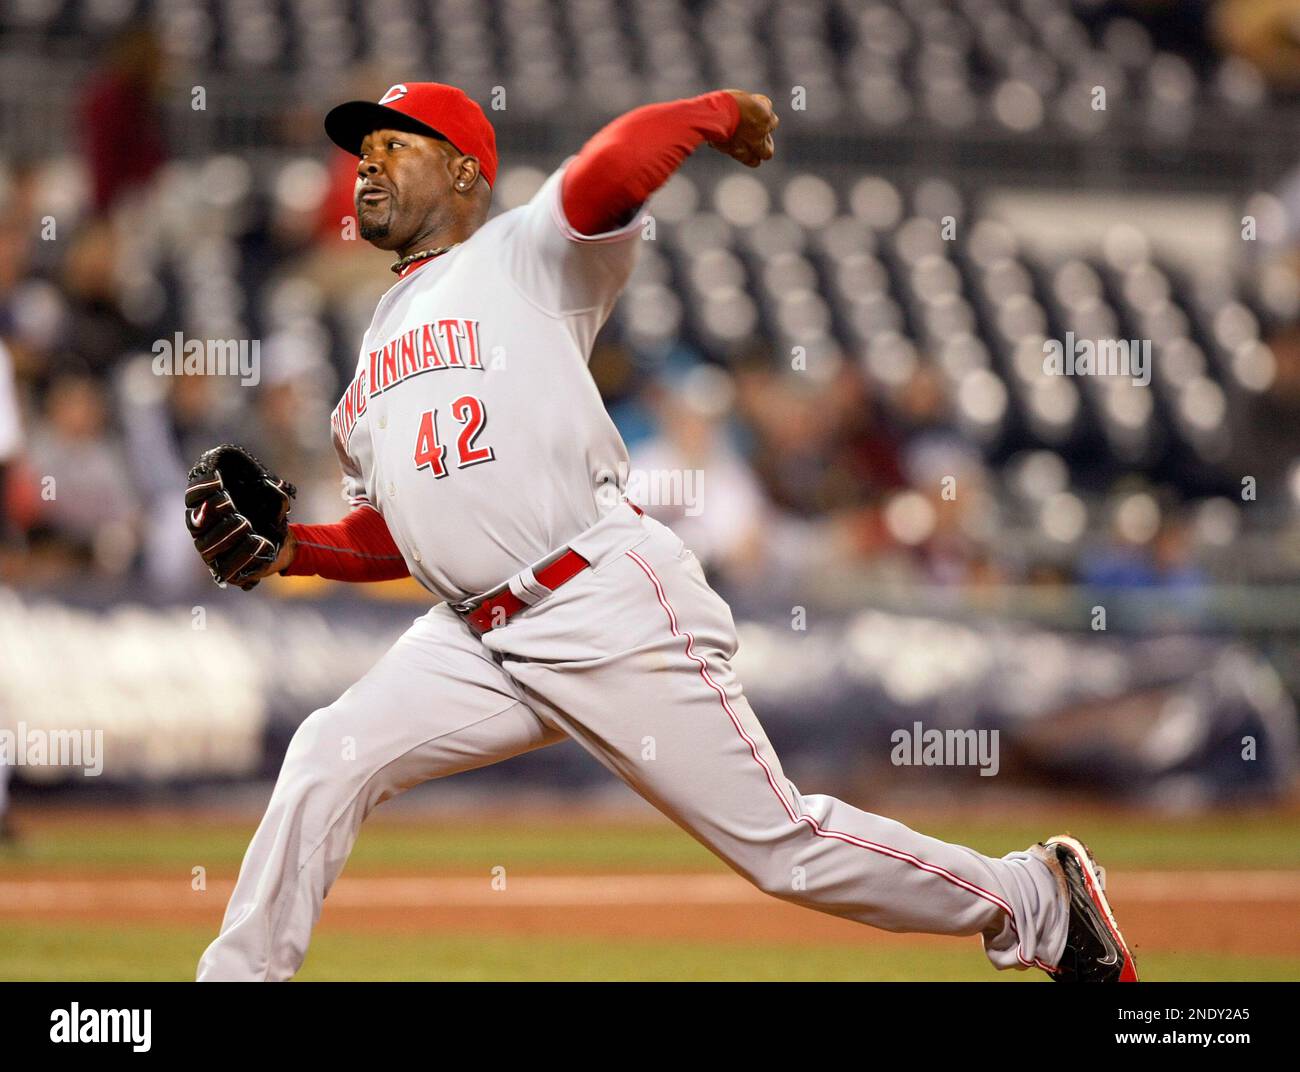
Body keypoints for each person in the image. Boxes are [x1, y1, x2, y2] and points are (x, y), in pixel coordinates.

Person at [194, 83, 1136, 983]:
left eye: (396, 145)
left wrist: (713, 113)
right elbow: (397, 534)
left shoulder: (526, 253)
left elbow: (609, 168)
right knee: (328, 751)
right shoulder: (368, 361)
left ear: (468, 174)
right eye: (363, 150)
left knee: (786, 851)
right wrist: (293, 549)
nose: (368, 164)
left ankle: (1036, 899)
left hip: (600, 599)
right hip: (472, 635)